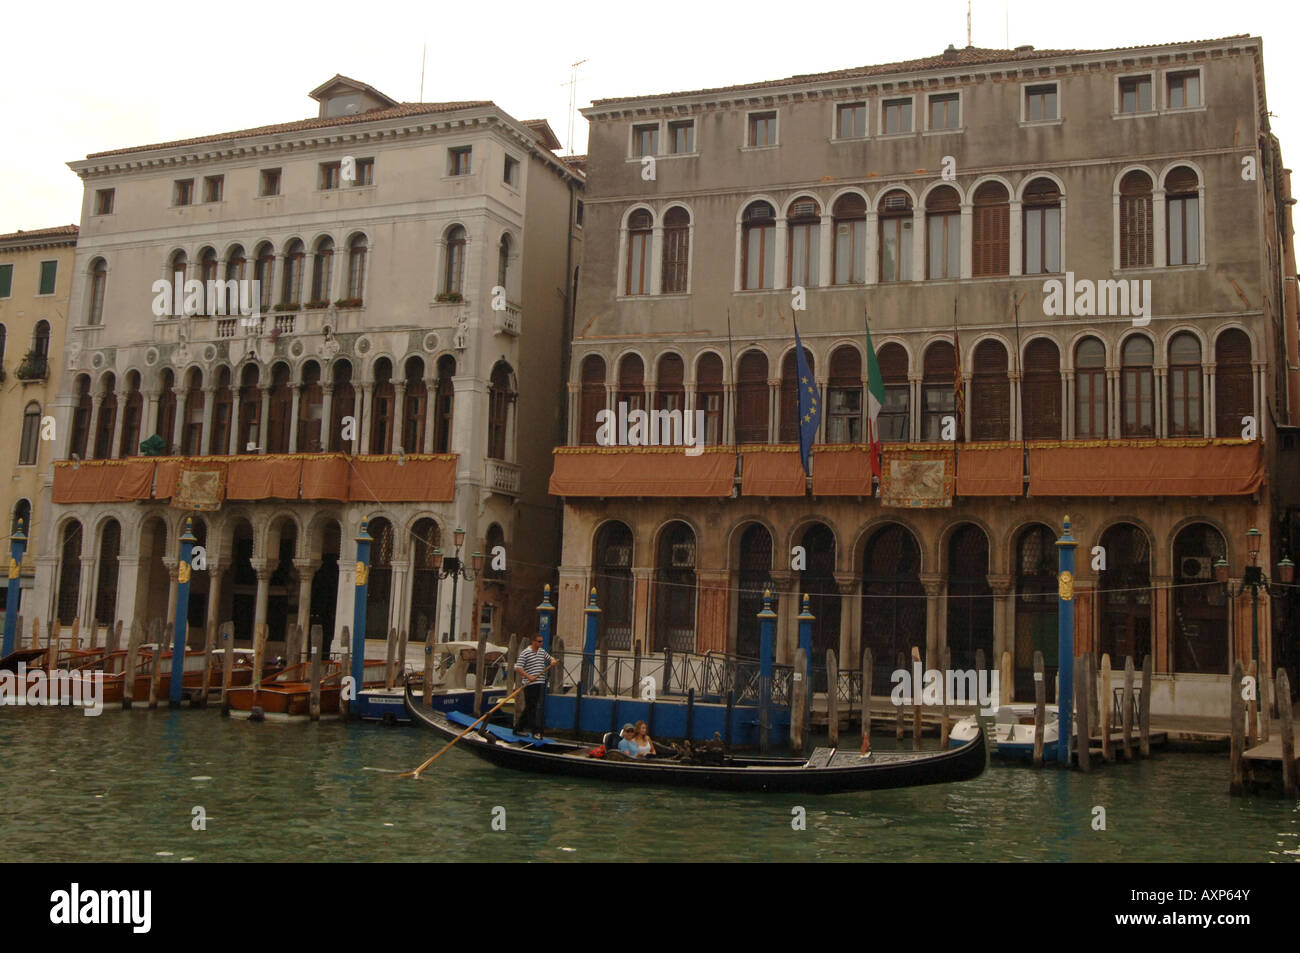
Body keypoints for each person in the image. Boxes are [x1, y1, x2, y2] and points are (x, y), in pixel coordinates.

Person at [514, 634, 552, 738]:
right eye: (539, 641)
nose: (541, 643)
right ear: (533, 641)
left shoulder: (542, 651)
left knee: (531, 707)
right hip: (529, 684)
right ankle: (535, 732)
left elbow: (550, 658)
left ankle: (518, 728)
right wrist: (529, 676)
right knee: (531, 708)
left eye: (541, 641)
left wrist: (552, 661)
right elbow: (518, 667)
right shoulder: (525, 653)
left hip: (539, 683)